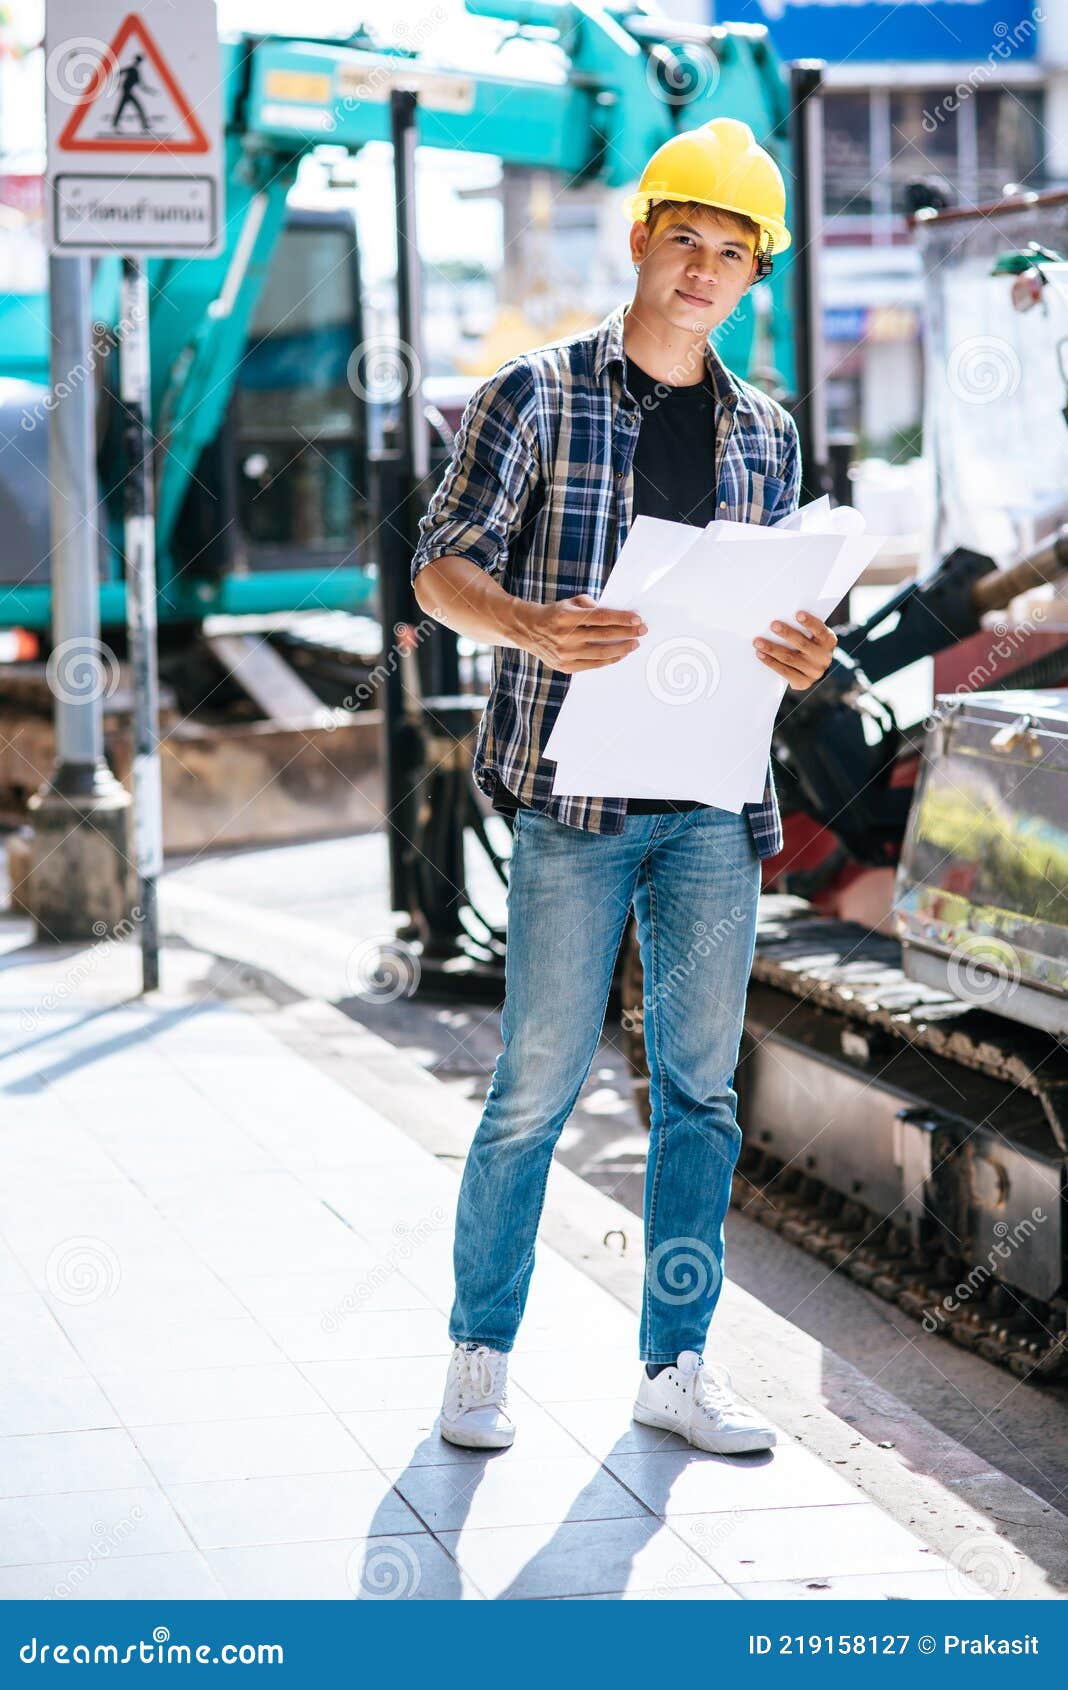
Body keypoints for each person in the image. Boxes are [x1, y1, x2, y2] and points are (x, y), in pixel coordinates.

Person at [411, 118, 837, 1457]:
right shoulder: (534, 395)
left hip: (713, 807)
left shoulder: (763, 434)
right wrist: (533, 624)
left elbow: (764, 619)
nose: (704, 267)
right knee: (535, 1084)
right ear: (643, 239)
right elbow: (438, 568)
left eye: (732, 253)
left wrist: (808, 654)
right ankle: (480, 1356)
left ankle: (679, 1363)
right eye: (687, 238)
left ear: (751, 278)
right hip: (576, 806)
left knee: (700, 1095)